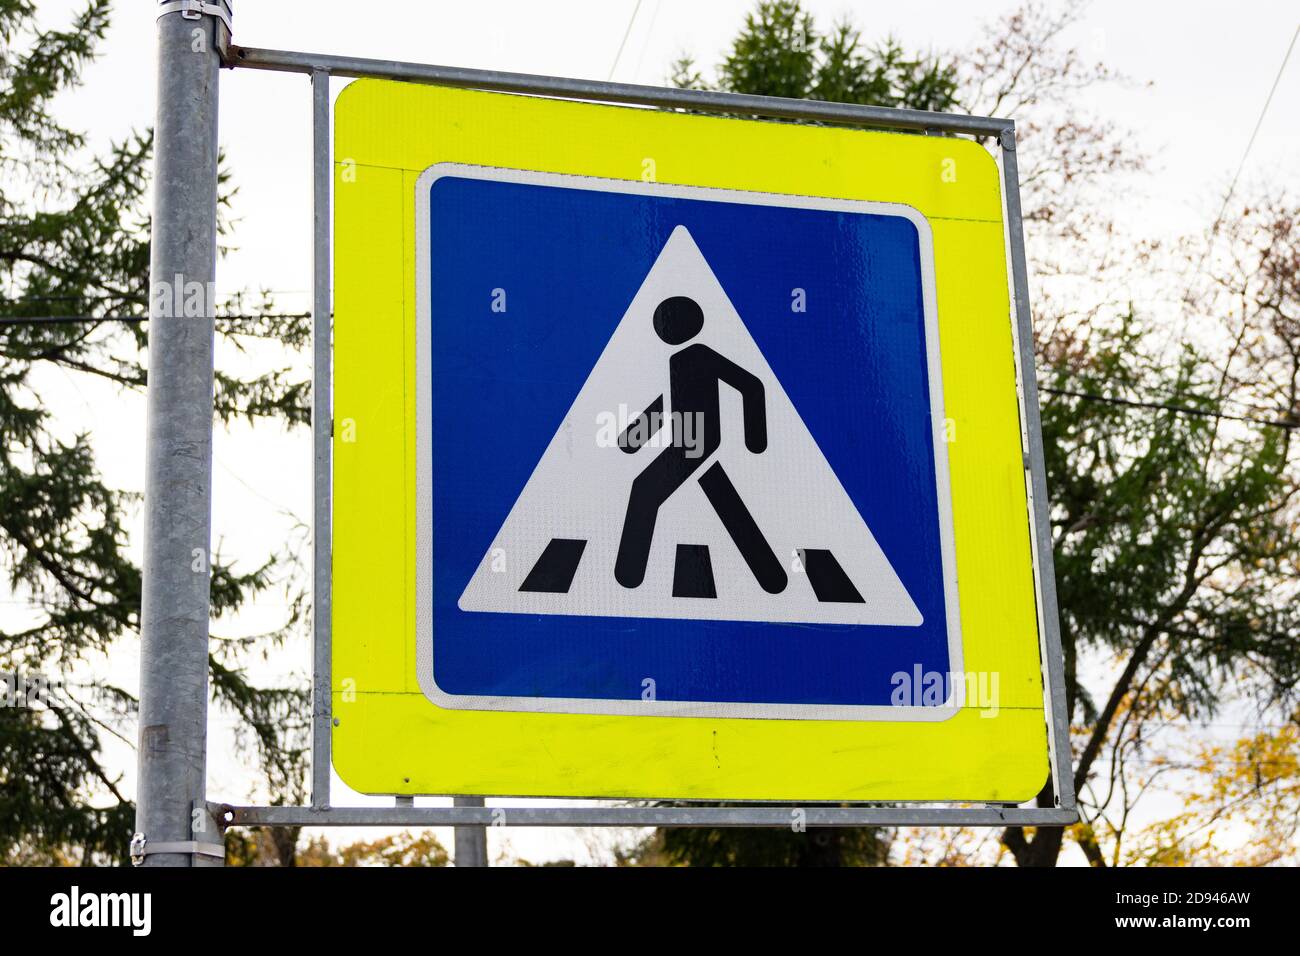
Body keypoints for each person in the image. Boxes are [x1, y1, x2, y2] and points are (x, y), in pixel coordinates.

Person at [615, 294, 787, 594]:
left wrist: (755, 439)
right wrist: (633, 437)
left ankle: (628, 576)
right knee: (725, 501)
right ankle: (772, 578)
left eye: (665, 320)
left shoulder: (702, 355)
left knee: (645, 491)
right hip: (689, 443)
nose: (660, 328)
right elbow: (668, 403)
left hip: (697, 444)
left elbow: (751, 386)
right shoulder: (679, 360)